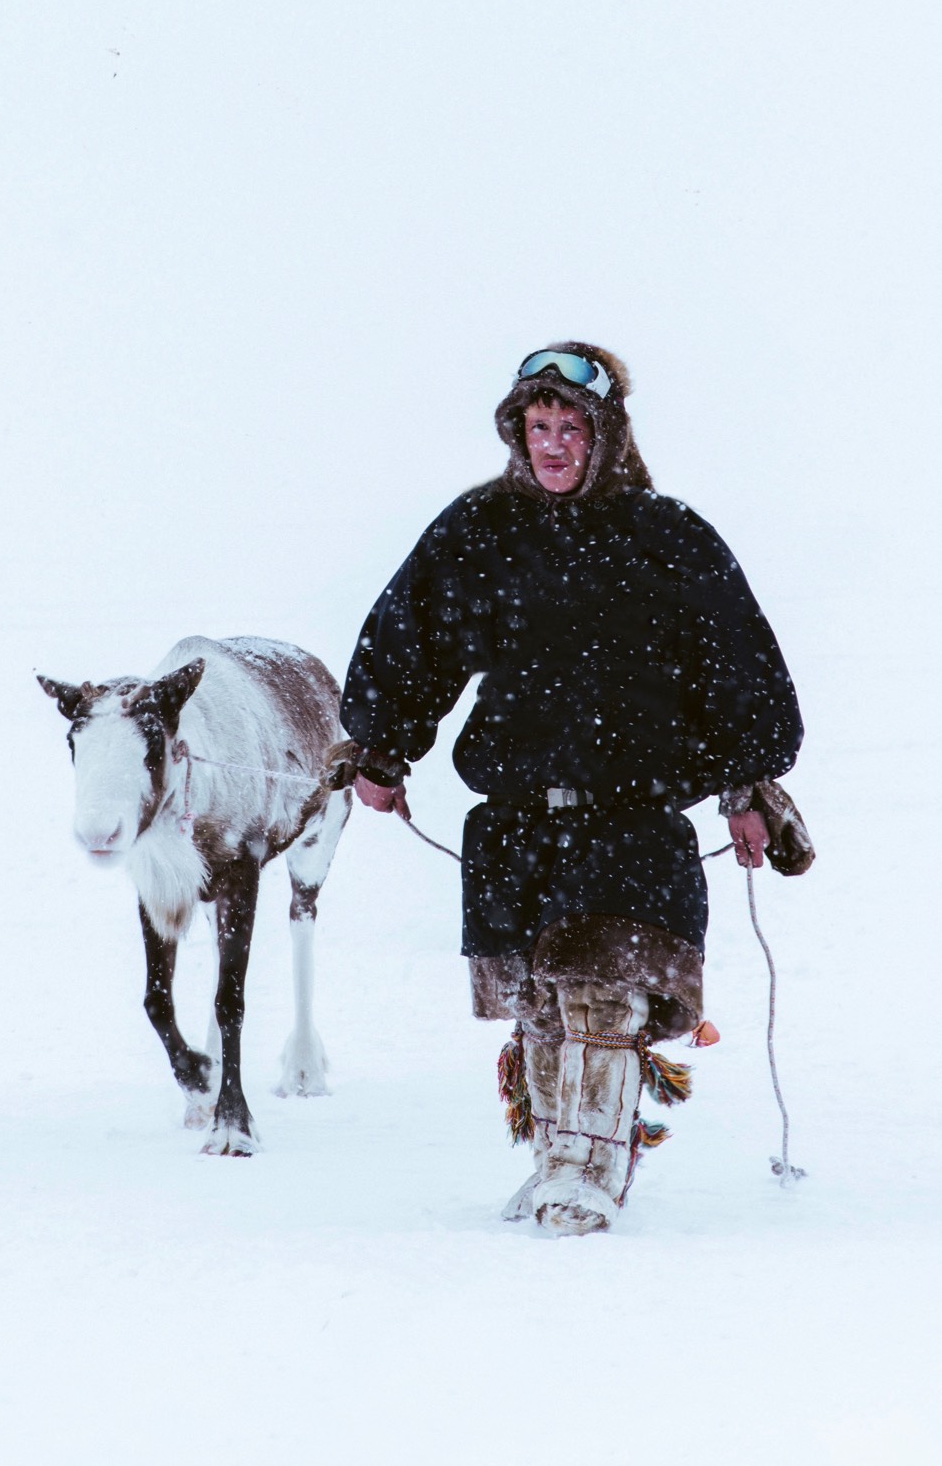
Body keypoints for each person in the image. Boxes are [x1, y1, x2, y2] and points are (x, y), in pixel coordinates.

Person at [339, 343, 804, 1236]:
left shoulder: (668, 538)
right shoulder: (479, 531)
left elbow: (735, 667)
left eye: (570, 428)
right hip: (514, 818)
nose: (551, 446)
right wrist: (384, 752)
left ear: (608, 434)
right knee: (543, 1007)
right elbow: (414, 641)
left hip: (629, 814)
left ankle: (592, 1170)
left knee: (603, 997)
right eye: (536, 427)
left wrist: (747, 785)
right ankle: (556, 1159)